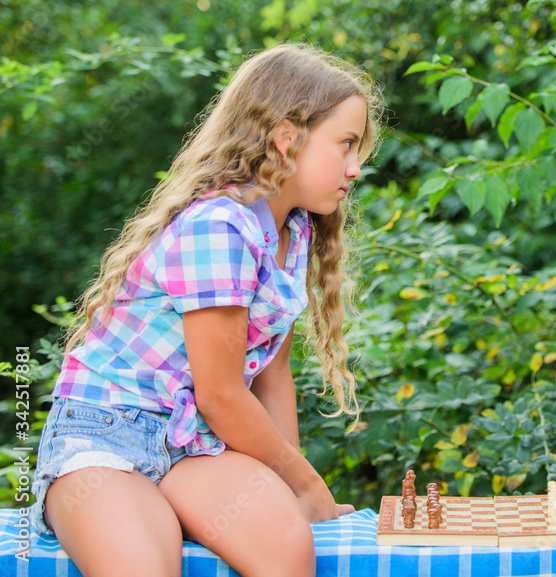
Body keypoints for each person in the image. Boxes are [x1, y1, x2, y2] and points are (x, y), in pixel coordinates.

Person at [30, 44, 383, 577]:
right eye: (347, 145)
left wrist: (295, 490)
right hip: (105, 434)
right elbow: (220, 393)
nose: (356, 169)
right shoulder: (219, 226)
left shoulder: (294, 230)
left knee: (286, 546)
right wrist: (308, 483)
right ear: (287, 137)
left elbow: (272, 374)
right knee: (143, 565)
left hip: (193, 445)